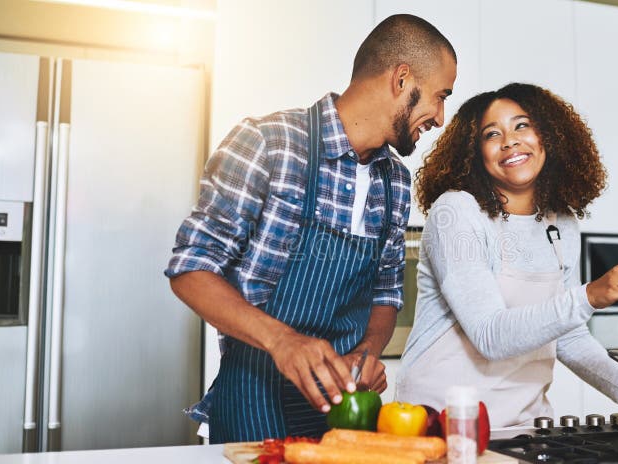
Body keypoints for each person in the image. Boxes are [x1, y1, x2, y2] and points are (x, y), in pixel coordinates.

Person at [165, 14, 457, 442]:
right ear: (401, 79)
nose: (441, 117)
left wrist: (367, 353)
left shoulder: (394, 180)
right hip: (251, 398)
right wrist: (283, 342)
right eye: (439, 96)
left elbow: (386, 292)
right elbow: (190, 269)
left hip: (343, 411)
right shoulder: (269, 143)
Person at [395, 83, 618, 428]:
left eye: (522, 125)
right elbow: (491, 335)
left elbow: (569, 337)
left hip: (524, 424)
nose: (509, 141)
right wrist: (590, 295)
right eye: (492, 134)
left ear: (549, 136)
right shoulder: (457, 212)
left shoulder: (561, 221)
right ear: (475, 153)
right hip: (444, 424)